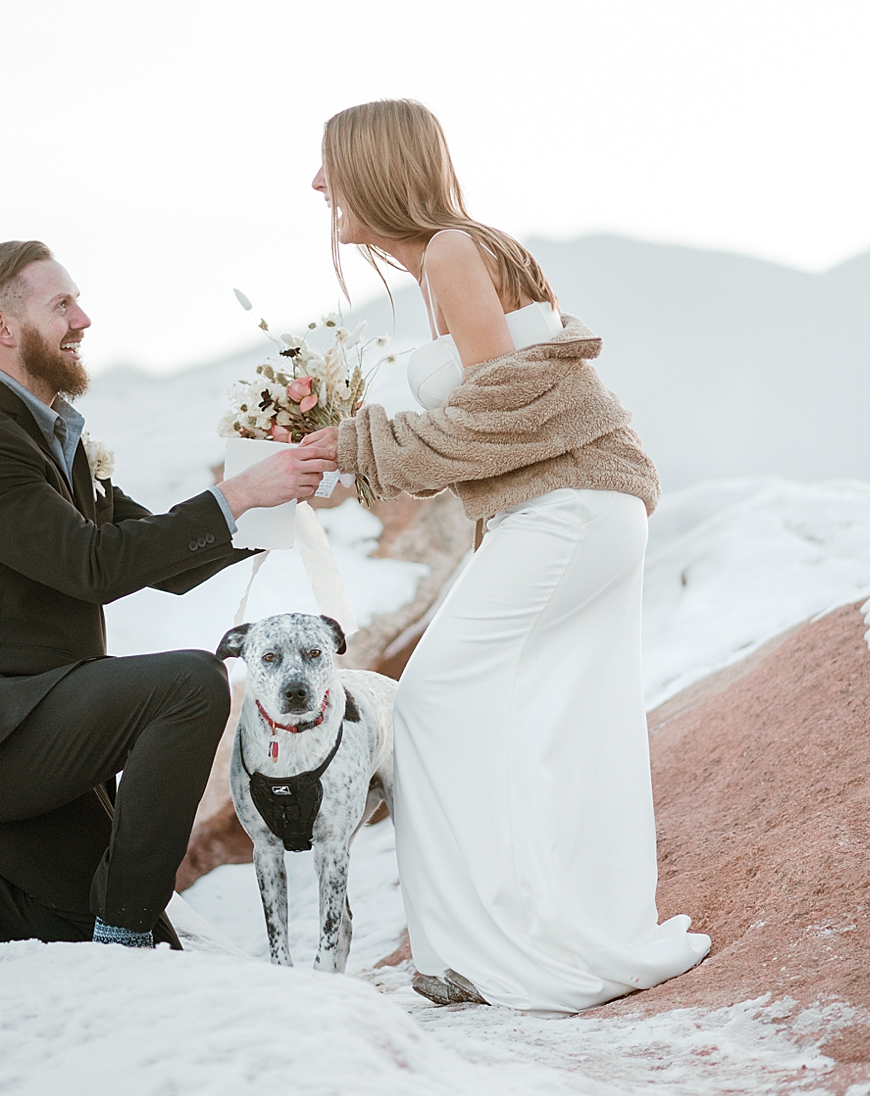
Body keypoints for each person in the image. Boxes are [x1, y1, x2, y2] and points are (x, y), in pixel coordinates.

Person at [300, 101, 710, 1012]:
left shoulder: (450, 250)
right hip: (574, 505)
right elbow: (505, 404)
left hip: (567, 506)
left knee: (438, 699)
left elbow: (502, 410)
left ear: (372, 168)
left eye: (329, 165)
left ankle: (490, 955)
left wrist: (358, 447)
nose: (318, 185)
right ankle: (516, 936)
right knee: (545, 719)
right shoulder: (462, 250)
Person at [0, 239, 334, 947]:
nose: (84, 319)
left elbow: (162, 559)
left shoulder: (57, 440)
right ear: (3, 329)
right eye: (62, 304)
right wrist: (236, 493)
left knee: (73, 924)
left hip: (45, 737)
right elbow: (91, 565)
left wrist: (274, 488)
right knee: (191, 682)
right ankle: (123, 937)